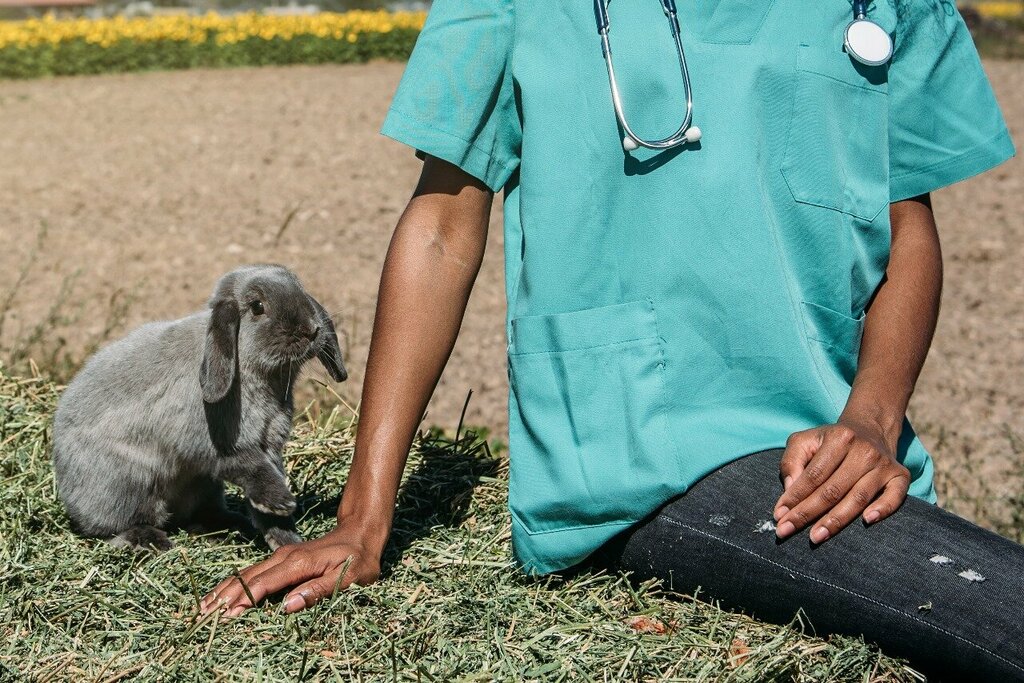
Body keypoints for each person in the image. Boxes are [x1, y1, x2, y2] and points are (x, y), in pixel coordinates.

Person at [202, 0, 1022, 677]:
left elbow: (906, 222)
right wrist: (362, 514)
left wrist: (872, 421)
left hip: (833, 433)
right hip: (637, 445)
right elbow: (445, 224)